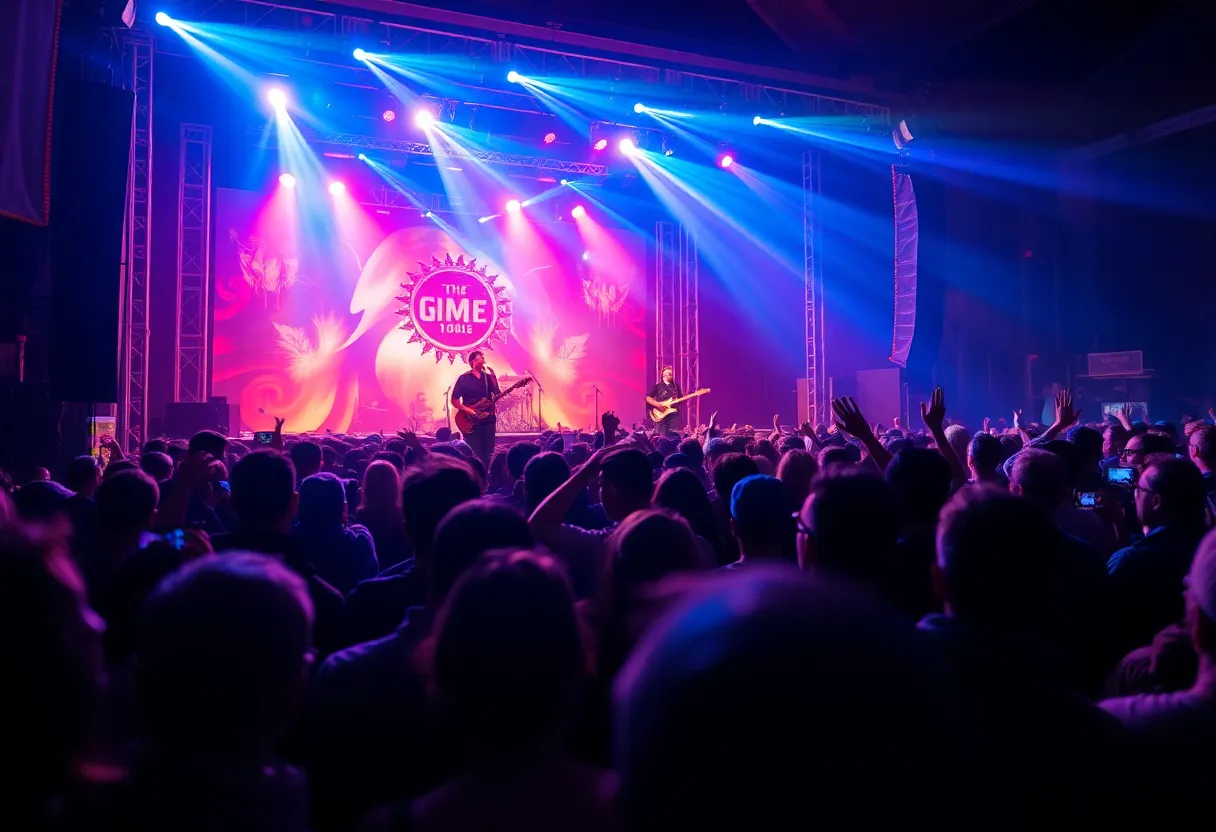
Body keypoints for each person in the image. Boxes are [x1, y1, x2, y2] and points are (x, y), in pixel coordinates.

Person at [451, 350, 501, 470]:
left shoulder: (488, 377)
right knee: (474, 452)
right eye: (480, 358)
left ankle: (487, 475)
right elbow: (454, 400)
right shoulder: (463, 378)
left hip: (488, 419)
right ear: (472, 361)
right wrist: (468, 410)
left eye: (483, 357)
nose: (483, 359)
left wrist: (493, 376)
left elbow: (497, 394)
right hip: (470, 421)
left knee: (489, 452)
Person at [645, 366, 683, 436]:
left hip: (673, 414)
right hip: (661, 414)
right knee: (661, 433)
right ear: (664, 375)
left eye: (672, 373)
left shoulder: (676, 386)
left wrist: (678, 401)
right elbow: (648, 398)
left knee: (674, 433)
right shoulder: (658, 386)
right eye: (669, 373)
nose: (671, 375)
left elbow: (681, 399)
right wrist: (657, 405)